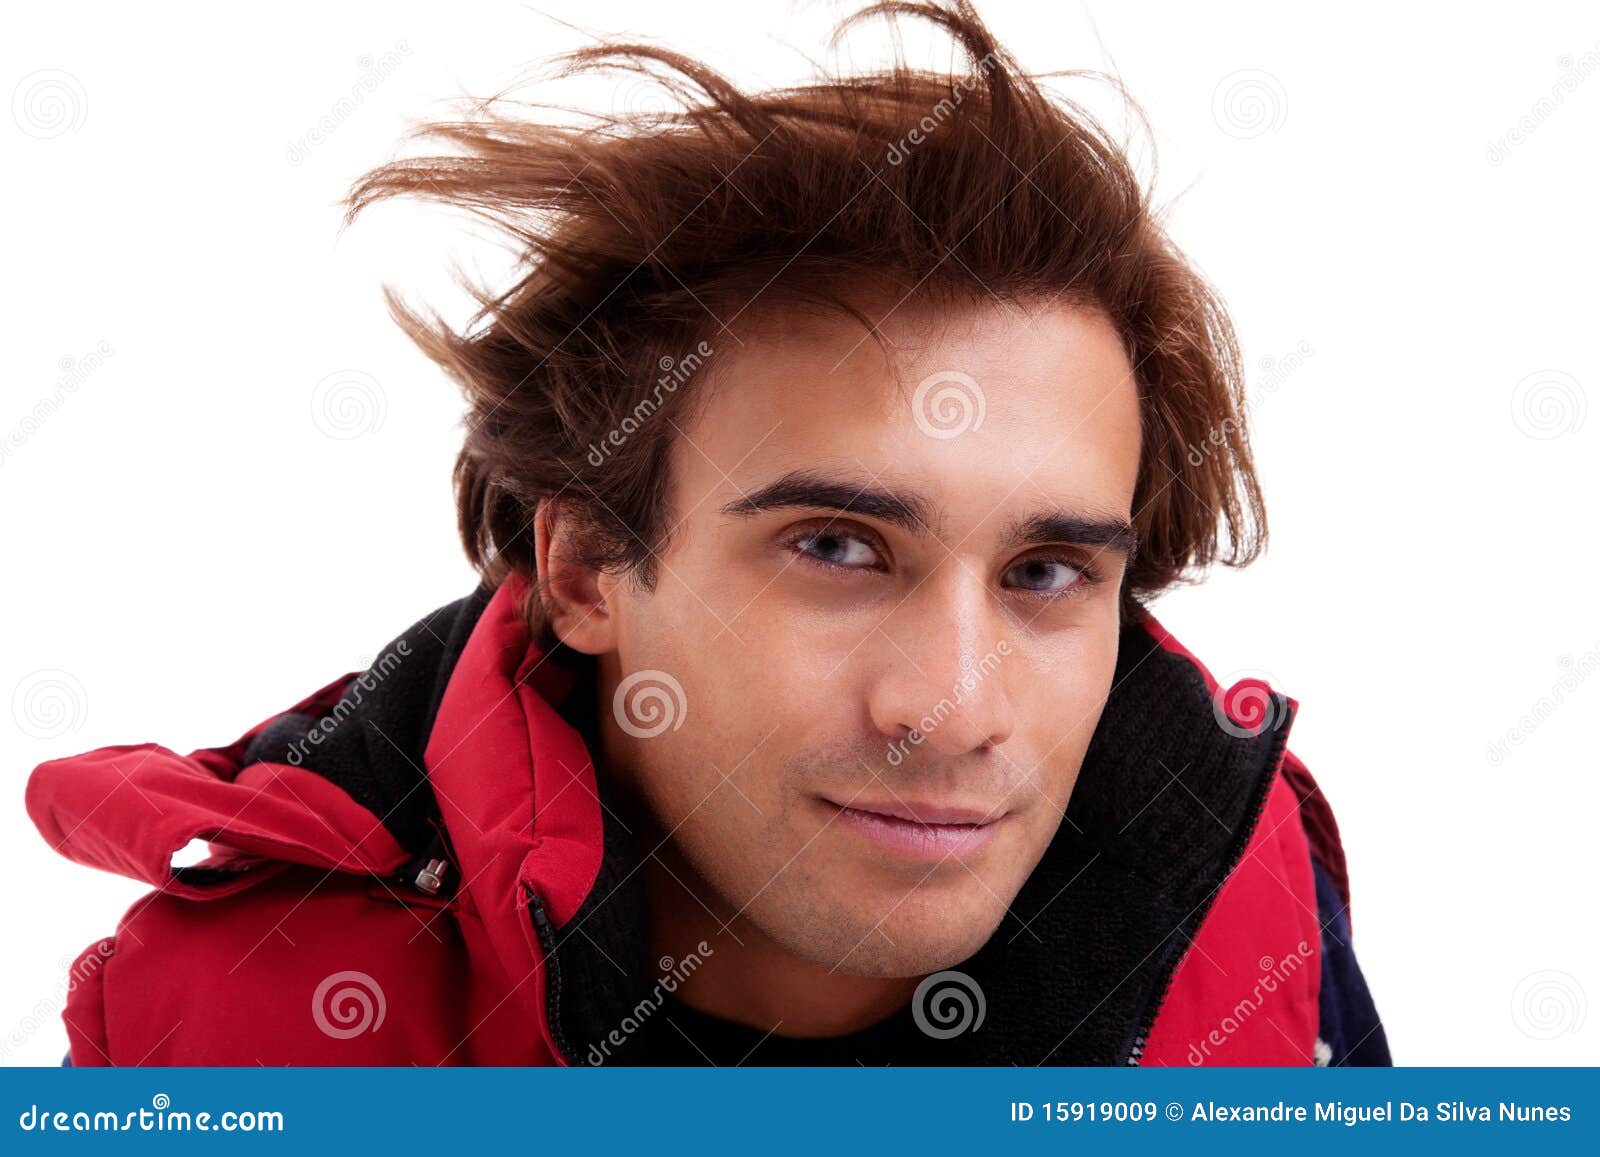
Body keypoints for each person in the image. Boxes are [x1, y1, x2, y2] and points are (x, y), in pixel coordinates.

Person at [29, 0, 1387, 1067]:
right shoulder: (216, 1032)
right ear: (582, 567)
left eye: (1043, 572)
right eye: (839, 548)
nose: (957, 707)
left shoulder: (1245, 896)